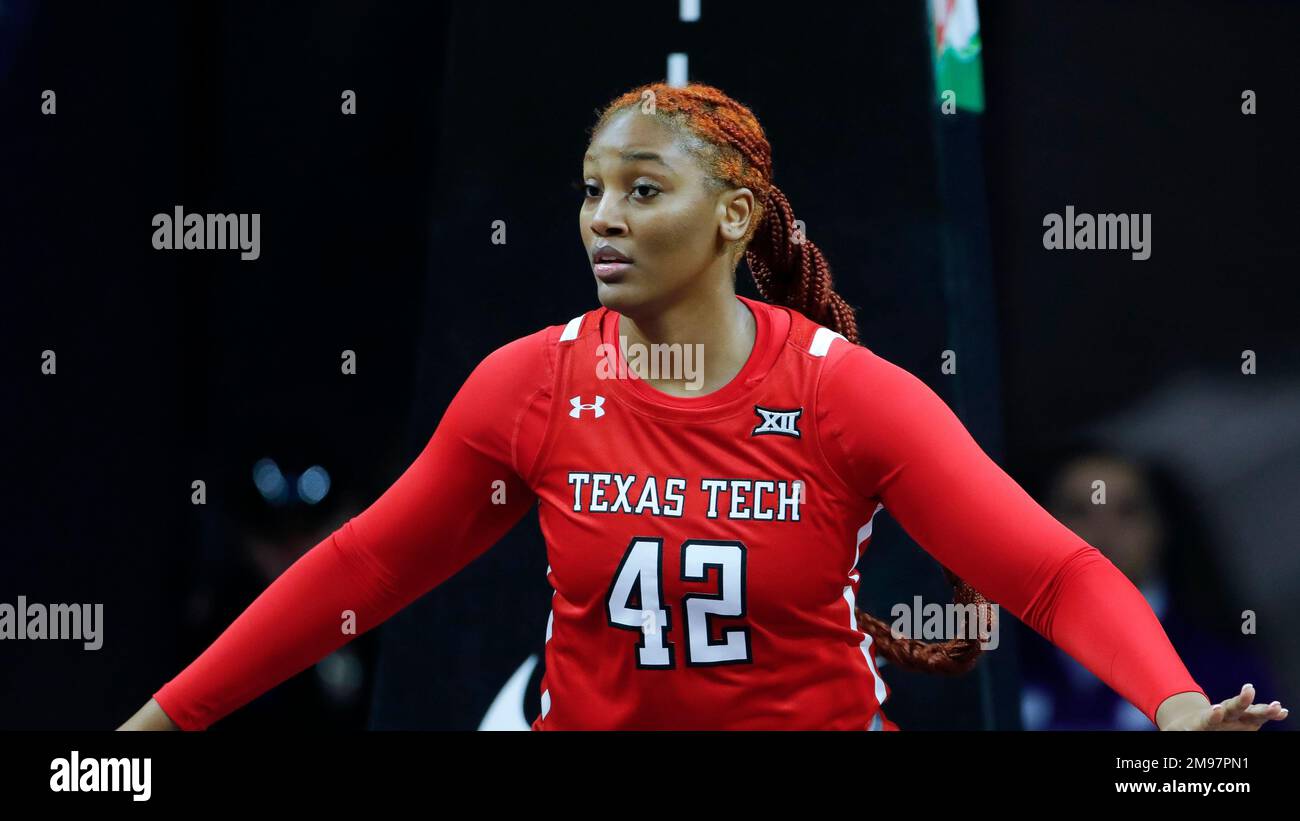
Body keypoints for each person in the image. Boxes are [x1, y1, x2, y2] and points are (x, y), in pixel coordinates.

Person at [119, 81, 1287, 731]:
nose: (603, 218)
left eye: (642, 189)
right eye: (590, 192)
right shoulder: (528, 382)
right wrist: (166, 722)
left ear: (733, 217)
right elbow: (362, 570)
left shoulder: (847, 397)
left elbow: (1050, 570)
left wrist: (1175, 707)